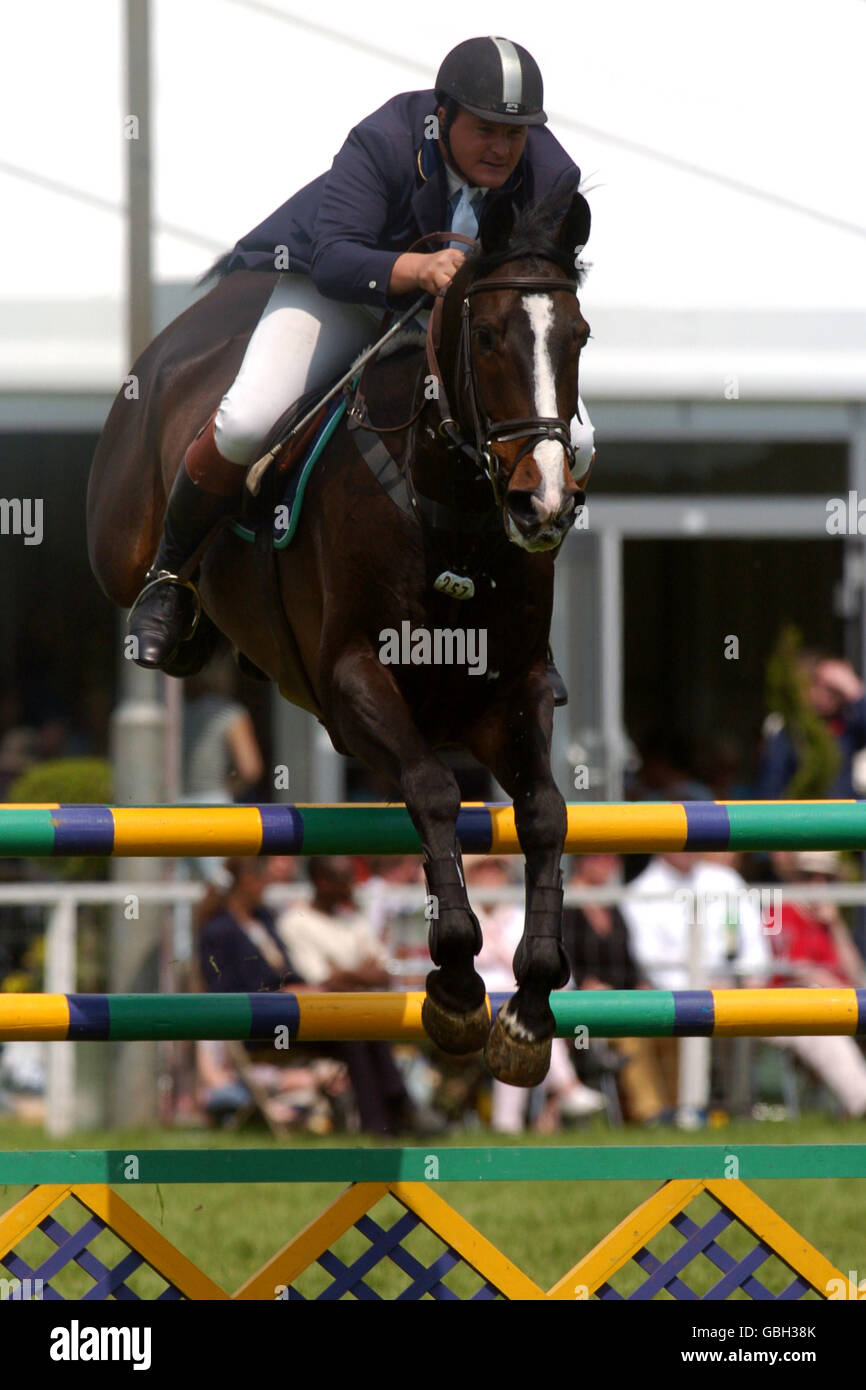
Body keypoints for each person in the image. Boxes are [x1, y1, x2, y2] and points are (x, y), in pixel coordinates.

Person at [127, 36, 595, 670]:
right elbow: (337, 257)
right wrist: (417, 267)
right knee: (247, 418)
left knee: (575, 444)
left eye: (516, 133)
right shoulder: (385, 141)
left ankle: (523, 616)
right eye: (486, 129)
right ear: (445, 114)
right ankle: (170, 577)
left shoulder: (552, 176)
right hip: (342, 288)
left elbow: (542, 288)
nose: (503, 148)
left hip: (465, 321)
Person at [276, 857, 413, 1134]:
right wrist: (359, 973)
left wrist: (343, 973)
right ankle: (391, 1109)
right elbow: (320, 982)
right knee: (359, 1026)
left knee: (364, 1022)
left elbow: (384, 972)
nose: (354, 885)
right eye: (345, 879)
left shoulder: (352, 920)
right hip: (311, 1017)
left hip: (357, 1014)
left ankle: (386, 1115)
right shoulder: (294, 922)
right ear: (321, 882)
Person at [765, 850, 866, 1117]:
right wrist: (828, 982)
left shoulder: (829, 919)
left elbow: (855, 972)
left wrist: (835, 926)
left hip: (837, 1002)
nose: (818, 884)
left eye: (827, 878)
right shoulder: (778, 908)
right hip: (784, 1007)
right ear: (795, 878)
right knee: (820, 1025)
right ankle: (862, 1103)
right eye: (809, 876)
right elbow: (788, 969)